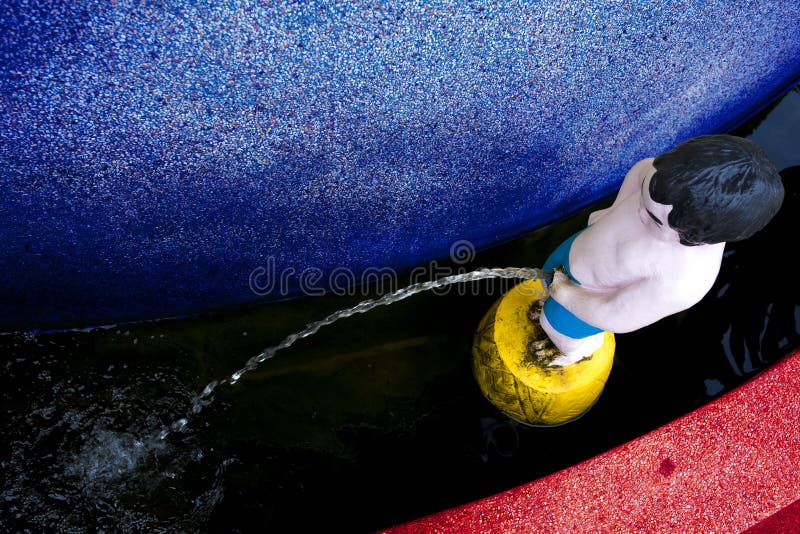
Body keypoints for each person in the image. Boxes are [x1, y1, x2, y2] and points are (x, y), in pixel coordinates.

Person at [533, 135, 784, 366]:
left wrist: (566, 294)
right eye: (644, 195)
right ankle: (552, 303)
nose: (639, 212)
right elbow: (643, 168)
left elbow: (616, 315)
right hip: (579, 251)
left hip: (592, 295)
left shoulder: (685, 279)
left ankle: (574, 352)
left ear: (695, 238)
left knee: (556, 326)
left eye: (654, 220)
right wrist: (614, 209)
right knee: (546, 276)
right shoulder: (661, 177)